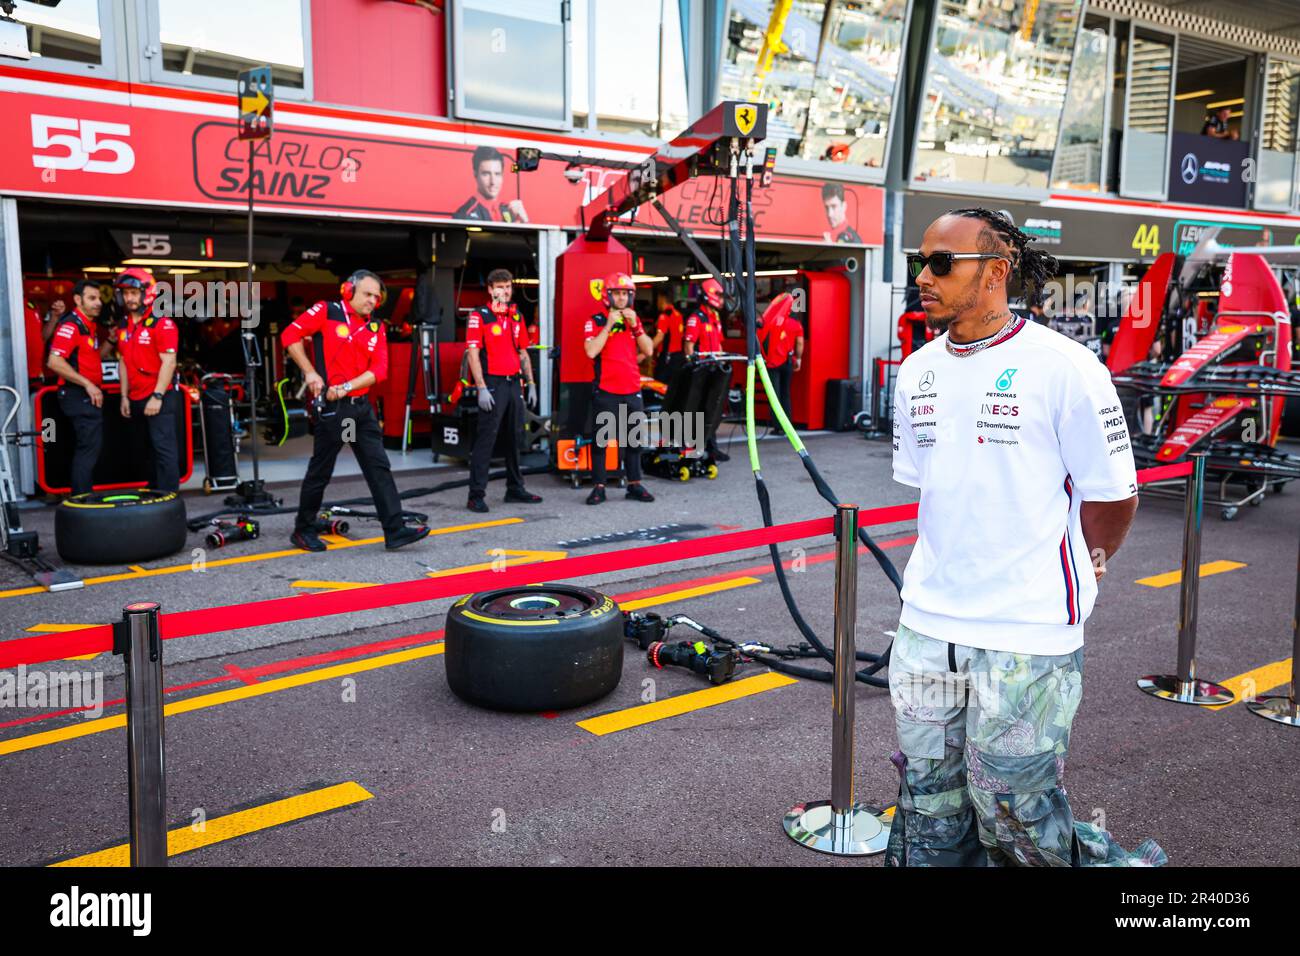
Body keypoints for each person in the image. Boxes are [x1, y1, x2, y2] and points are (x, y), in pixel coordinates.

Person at [888, 207, 1164, 868]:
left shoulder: (1066, 369)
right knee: (929, 800)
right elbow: (937, 492)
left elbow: (1114, 495)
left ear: (996, 271)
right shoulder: (916, 372)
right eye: (919, 263)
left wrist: (1088, 567)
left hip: (1027, 633)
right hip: (927, 630)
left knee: (1013, 810)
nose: (922, 278)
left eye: (940, 263)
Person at [282, 270, 430, 552]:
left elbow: (380, 370)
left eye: (377, 297)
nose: (373, 301)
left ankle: (395, 529)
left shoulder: (376, 327)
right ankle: (302, 529)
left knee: (378, 467)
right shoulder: (327, 311)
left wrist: (348, 386)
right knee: (321, 470)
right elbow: (290, 336)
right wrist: (311, 373)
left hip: (360, 410)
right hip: (335, 410)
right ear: (348, 290)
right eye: (367, 294)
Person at [465, 268, 543, 512]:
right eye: (499, 287)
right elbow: (473, 354)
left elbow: (523, 352)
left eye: (508, 287)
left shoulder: (516, 316)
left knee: (514, 438)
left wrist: (530, 383)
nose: (504, 291)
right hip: (493, 384)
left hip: (513, 385)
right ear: (490, 290)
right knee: (485, 441)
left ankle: (515, 488)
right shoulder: (480, 316)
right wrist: (481, 388)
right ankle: (475, 495)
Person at [583, 272, 656, 505]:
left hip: (632, 388)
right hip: (606, 389)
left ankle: (634, 484)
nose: (622, 298)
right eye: (618, 293)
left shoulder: (634, 320)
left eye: (626, 293)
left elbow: (649, 350)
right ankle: (599, 487)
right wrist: (608, 325)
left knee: (634, 440)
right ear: (609, 295)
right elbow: (591, 351)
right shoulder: (594, 320)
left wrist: (635, 326)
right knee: (601, 441)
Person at [114, 268, 182, 493]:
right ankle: (154, 493)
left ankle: (169, 500)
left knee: (164, 450)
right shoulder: (124, 325)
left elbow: (169, 362)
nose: (129, 298)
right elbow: (123, 361)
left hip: (158, 397)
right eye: (125, 293)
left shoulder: (162, 323)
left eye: (134, 292)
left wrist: (158, 395)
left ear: (147, 293)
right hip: (135, 397)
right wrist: (123, 395)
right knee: (146, 449)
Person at [46, 280, 109, 495]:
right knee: (88, 450)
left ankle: (82, 498)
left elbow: (92, 359)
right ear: (77, 300)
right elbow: (54, 362)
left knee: (88, 449)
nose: (98, 303)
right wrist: (88, 385)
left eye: (99, 298)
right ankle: (82, 502)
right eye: (92, 298)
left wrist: (110, 341)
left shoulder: (88, 325)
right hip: (78, 396)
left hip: (82, 395)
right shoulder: (71, 325)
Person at [683, 277, 731, 462]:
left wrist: (721, 362)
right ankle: (696, 447)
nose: (720, 299)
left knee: (713, 408)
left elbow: (718, 343)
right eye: (718, 295)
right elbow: (689, 345)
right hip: (701, 371)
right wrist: (693, 367)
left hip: (714, 369)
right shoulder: (697, 318)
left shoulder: (716, 317)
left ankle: (712, 448)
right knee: (699, 410)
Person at [758, 291, 804, 423]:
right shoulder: (795, 324)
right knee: (785, 394)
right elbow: (800, 343)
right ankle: (787, 423)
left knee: (774, 395)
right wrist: (799, 359)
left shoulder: (770, 321)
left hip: (772, 362)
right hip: (788, 362)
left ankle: (777, 425)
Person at [454, 146, 529, 223]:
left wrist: (524, 222)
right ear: (475, 174)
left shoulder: (509, 211)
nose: (493, 182)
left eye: (497, 174)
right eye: (486, 174)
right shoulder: (464, 214)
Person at [651, 291, 686, 384]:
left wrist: (645, 352)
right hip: (678, 356)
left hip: (666, 357)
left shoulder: (664, 316)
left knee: (659, 385)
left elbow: (659, 337)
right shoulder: (679, 315)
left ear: (662, 299)